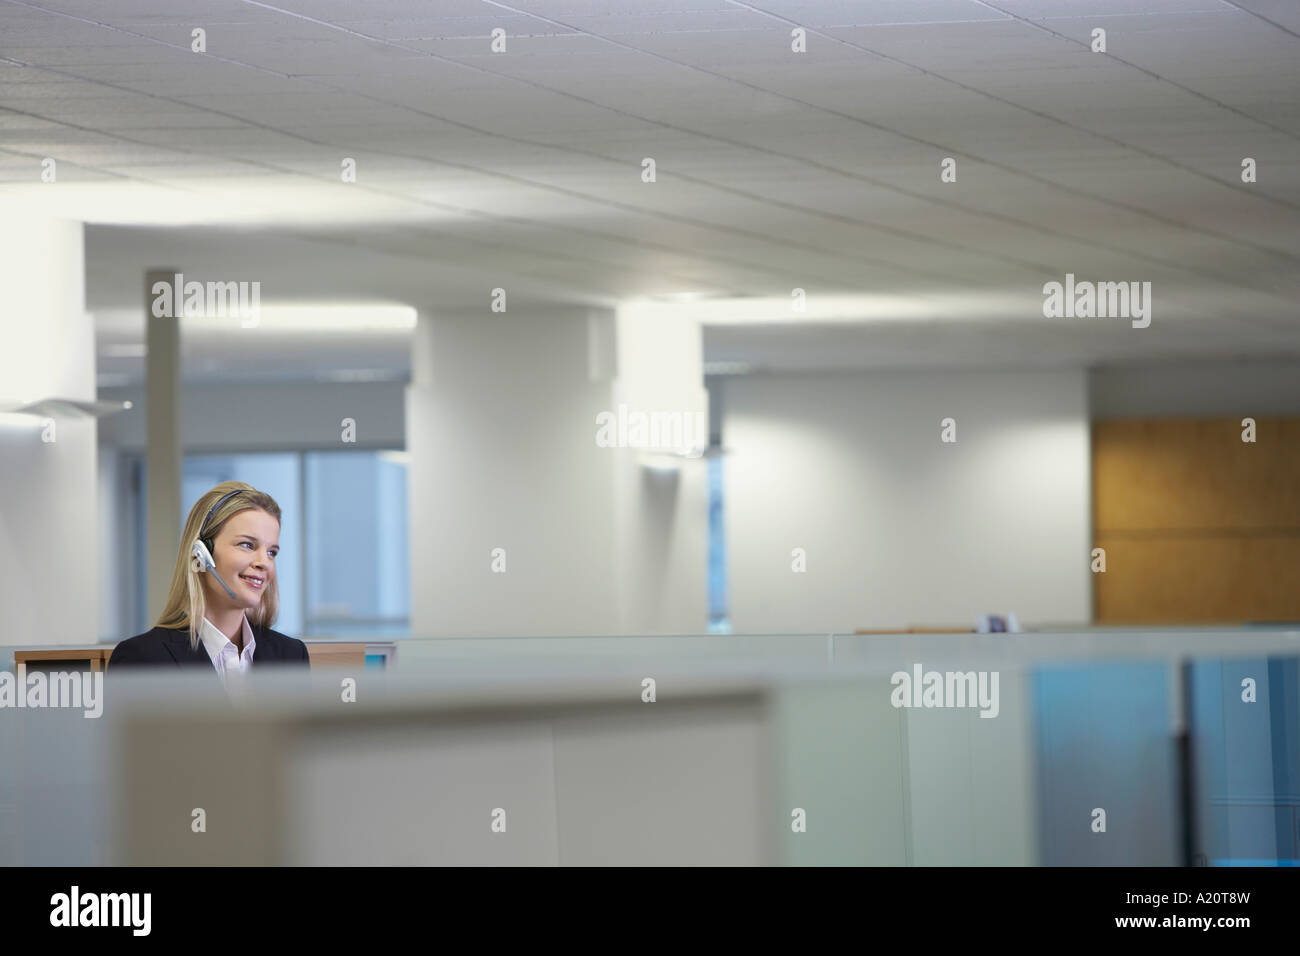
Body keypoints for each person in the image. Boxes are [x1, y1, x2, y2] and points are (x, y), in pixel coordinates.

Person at [109, 481, 310, 679]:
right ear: (201, 553)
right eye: (247, 545)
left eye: (271, 552)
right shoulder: (141, 659)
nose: (264, 563)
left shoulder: (291, 656)